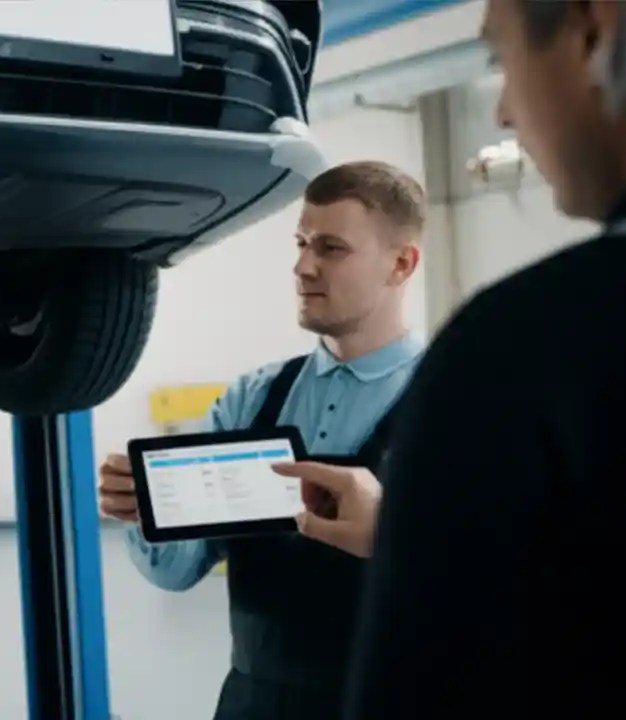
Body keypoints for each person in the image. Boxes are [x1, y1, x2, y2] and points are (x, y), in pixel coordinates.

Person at [273, 1, 626, 718]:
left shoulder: (525, 349)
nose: (505, 112)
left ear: (594, 29)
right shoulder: (265, 392)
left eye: (502, 59)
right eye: (302, 246)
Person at [98, 160, 428, 720]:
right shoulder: (250, 400)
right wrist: (144, 512)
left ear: (401, 264)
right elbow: (175, 572)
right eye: (301, 243)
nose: (302, 266)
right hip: (253, 702)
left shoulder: (453, 399)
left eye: (331, 248)